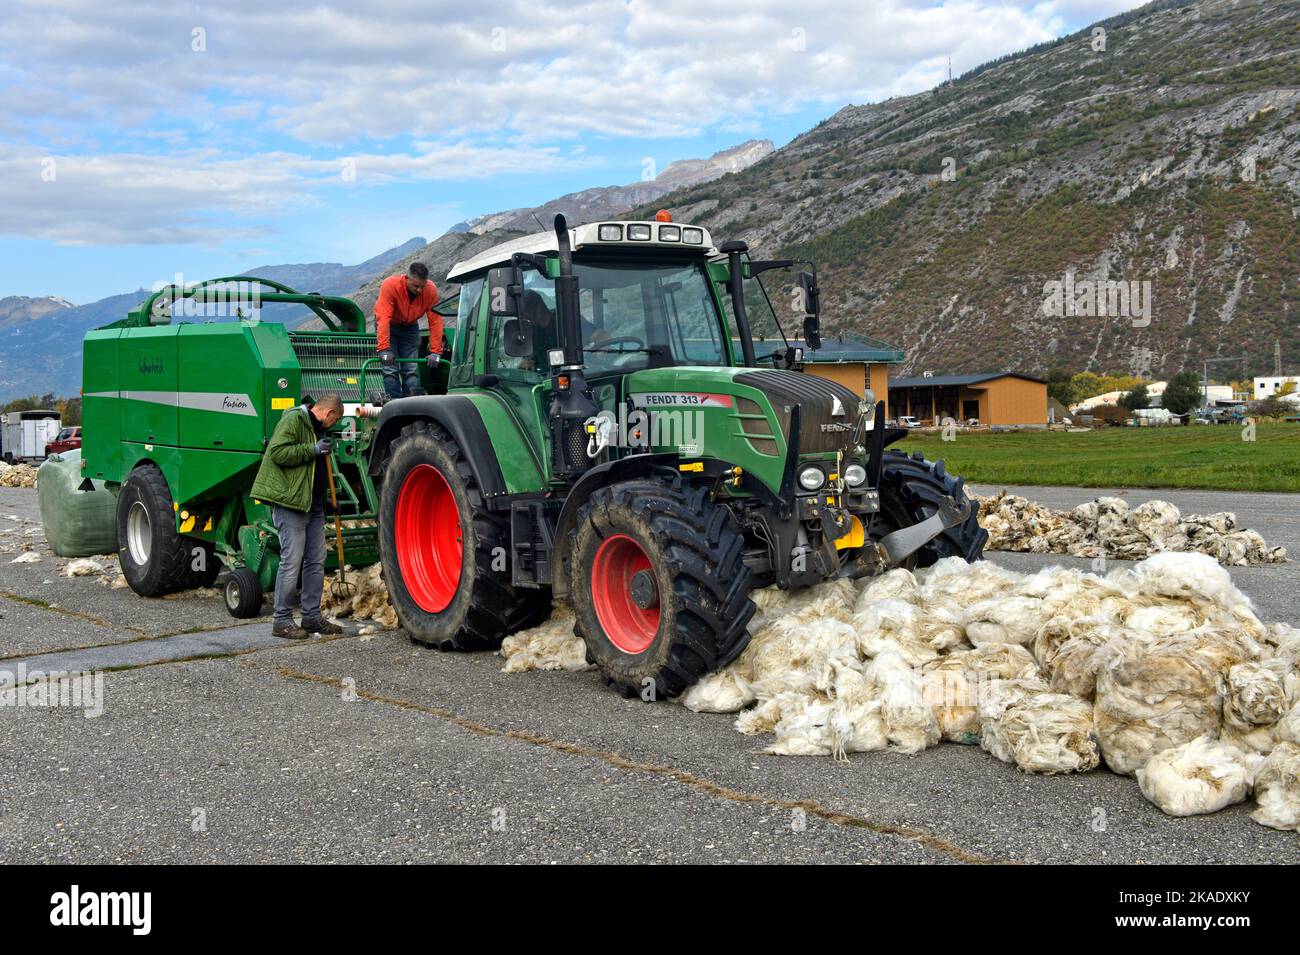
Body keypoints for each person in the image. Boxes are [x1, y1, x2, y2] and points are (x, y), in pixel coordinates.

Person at [250, 394, 346, 639]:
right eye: (334, 420)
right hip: (290, 503)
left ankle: (311, 617)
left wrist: (325, 503)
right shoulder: (294, 420)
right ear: (328, 413)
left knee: (316, 560)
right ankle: (281, 620)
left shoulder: (318, 430)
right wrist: (312, 449)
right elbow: (278, 453)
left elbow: (311, 475)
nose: (333, 425)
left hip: (311, 505)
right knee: (291, 560)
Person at [375, 262, 442, 399]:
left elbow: (435, 321)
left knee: (411, 369)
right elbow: (384, 318)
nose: (419, 290)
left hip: (410, 326)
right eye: (416, 286)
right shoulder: (390, 285)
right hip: (389, 325)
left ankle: (410, 404)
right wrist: (384, 349)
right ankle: (393, 403)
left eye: (422, 287)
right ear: (406, 278)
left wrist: (436, 351)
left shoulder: (430, 290)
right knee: (389, 368)